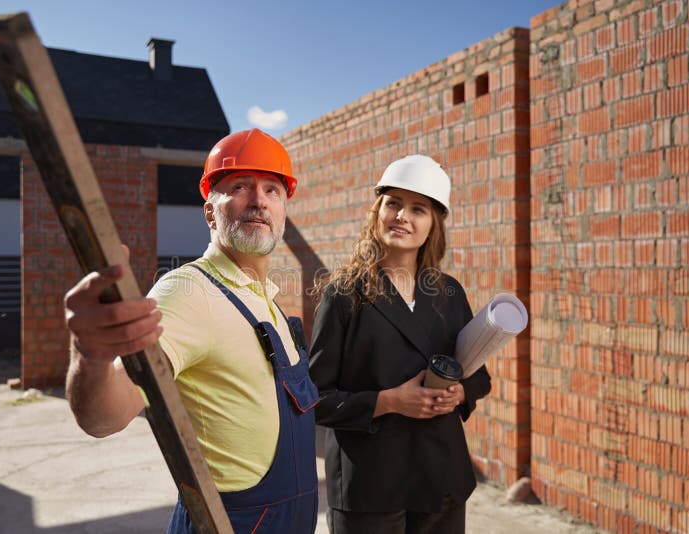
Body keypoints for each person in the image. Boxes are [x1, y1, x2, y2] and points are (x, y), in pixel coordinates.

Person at [63, 129, 319, 533]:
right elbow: (105, 416)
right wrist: (90, 356)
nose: (259, 201)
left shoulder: (265, 299)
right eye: (240, 186)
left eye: (272, 190)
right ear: (209, 213)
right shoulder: (189, 292)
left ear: (284, 210)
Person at [309, 155, 492, 534]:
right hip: (370, 486)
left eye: (418, 209)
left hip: (440, 476)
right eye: (393, 203)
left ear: (432, 225)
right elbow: (315, 399)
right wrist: (388, 401)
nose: (402, 216)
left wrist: (459, 393)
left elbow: (480, 376)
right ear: (378, 211)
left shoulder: (449, 293)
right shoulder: (344, 294)